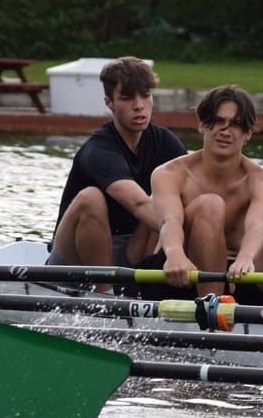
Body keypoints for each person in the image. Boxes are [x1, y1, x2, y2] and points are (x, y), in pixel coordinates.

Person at [49, 56, 186, 267]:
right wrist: (177, 244)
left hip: (131, 248)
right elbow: (139, 204)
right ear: (109, 103)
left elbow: (195, 189)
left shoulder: (164, 141)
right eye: (127, 98)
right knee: (91, 197)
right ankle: (103, 287)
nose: (139, 105)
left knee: (177, 200)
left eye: (145, 95)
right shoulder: (98, 150)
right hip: (73, 258)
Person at [150, 85, 263, 294]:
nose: (225, 131)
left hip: (237, 272)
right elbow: (170, 220)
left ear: (248, 133)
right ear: (201, 124)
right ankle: (212, 303)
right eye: (218, 121)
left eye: (236, 124)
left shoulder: (261, 182)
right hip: (179, 271)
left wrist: (245, 258)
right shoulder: (168, 174)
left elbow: (258, 227)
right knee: (210, 204)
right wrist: (174, 252)